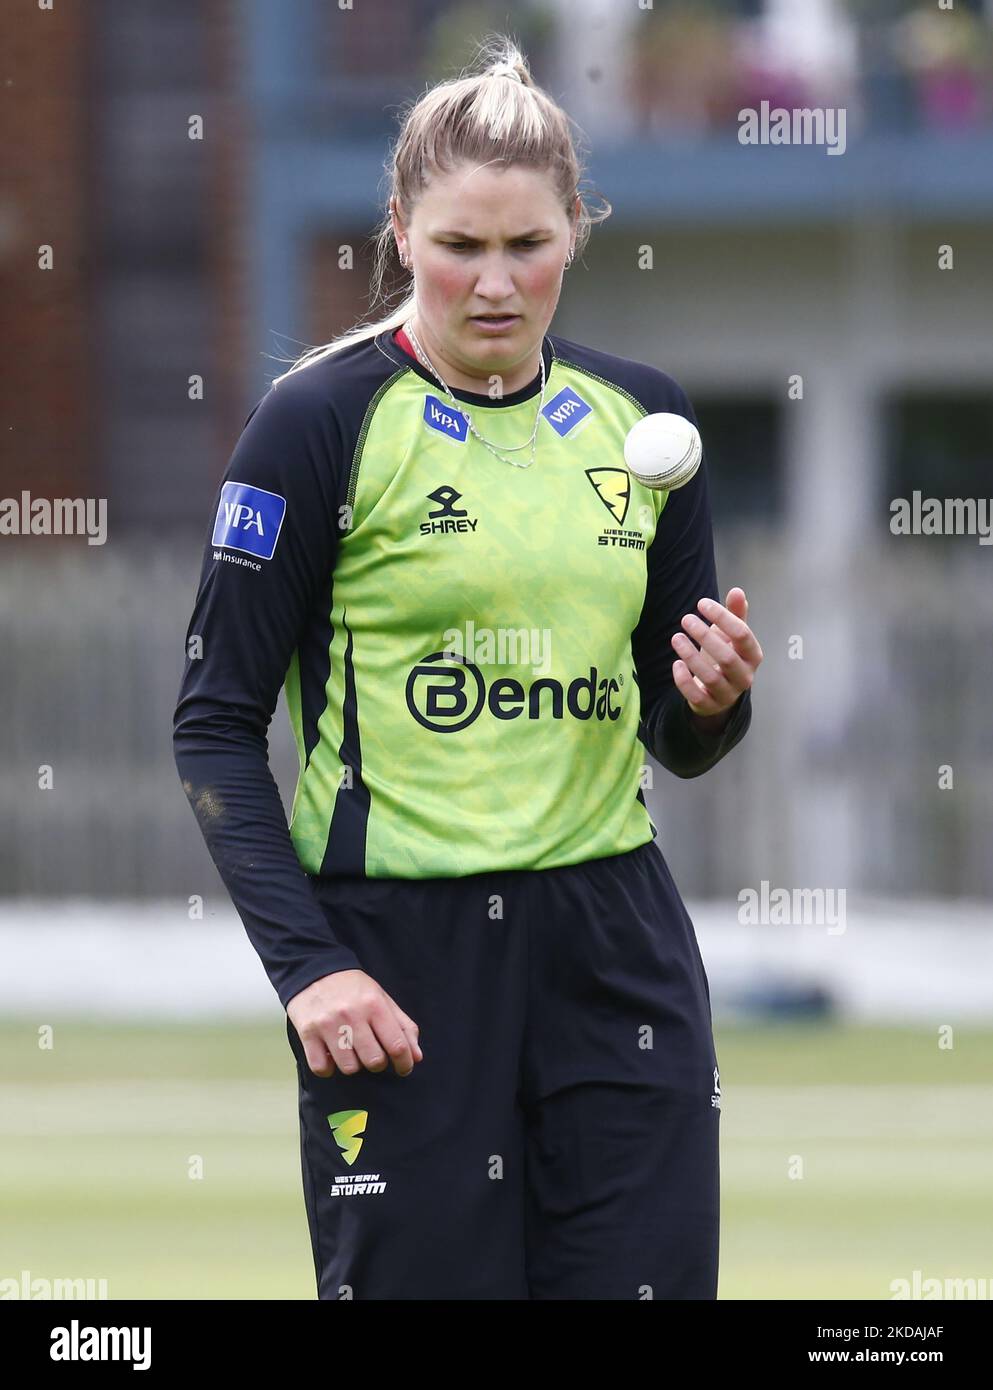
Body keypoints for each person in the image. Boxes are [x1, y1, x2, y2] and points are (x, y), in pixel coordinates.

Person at [173, 35, 763, 1301]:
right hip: (398, 951)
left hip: (615, 945)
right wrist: (310, 967)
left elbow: (676, 729)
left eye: (526, 247)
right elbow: (212, 730)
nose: (495, 284)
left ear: (576, 235)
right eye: (459, 247)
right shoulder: (317, 424)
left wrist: (716, 698)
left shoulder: (644, 425)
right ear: (399, 230)